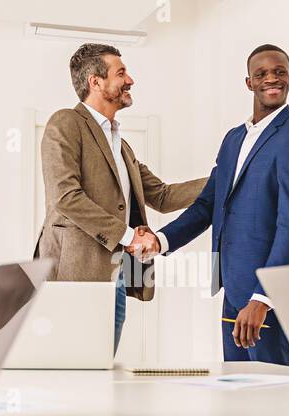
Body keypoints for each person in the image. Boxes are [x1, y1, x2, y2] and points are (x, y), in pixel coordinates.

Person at [152, 44, 289, 366]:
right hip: (232, 291)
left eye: (280, 72)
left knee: (272, 396)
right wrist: (160, 240)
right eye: (262, 74)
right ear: (249, 83)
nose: (272, 79)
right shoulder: (233, 139)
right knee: (237, 395)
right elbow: (207, 205)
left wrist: (262, 297)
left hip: (267, 298)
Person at [36, 43, 206, 352]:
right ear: (96, 82)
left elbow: (164, 196)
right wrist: (128, 237)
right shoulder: (66, 123)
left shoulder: (121, 145)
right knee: (74, 372)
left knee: (101, 370)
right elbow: (65, 196)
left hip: (115, 277)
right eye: (121, 73)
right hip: (76, 278)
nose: (130, 80)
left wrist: (228, 177)